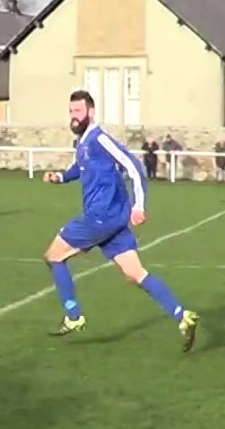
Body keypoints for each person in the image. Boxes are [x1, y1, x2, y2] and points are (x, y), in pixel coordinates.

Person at [41, 90, 198, 350]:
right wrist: (59, 177)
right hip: (113, 222)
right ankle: (183, 316)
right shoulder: (82, 143)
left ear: (91, 113)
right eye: (71, 111)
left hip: (101, 218)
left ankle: (73, 316)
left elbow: (133, 167)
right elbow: (78, 170)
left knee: (54, 256)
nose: (73, 116)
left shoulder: (100, 139)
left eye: (78, 111)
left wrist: (139, 205)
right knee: (136, 273)